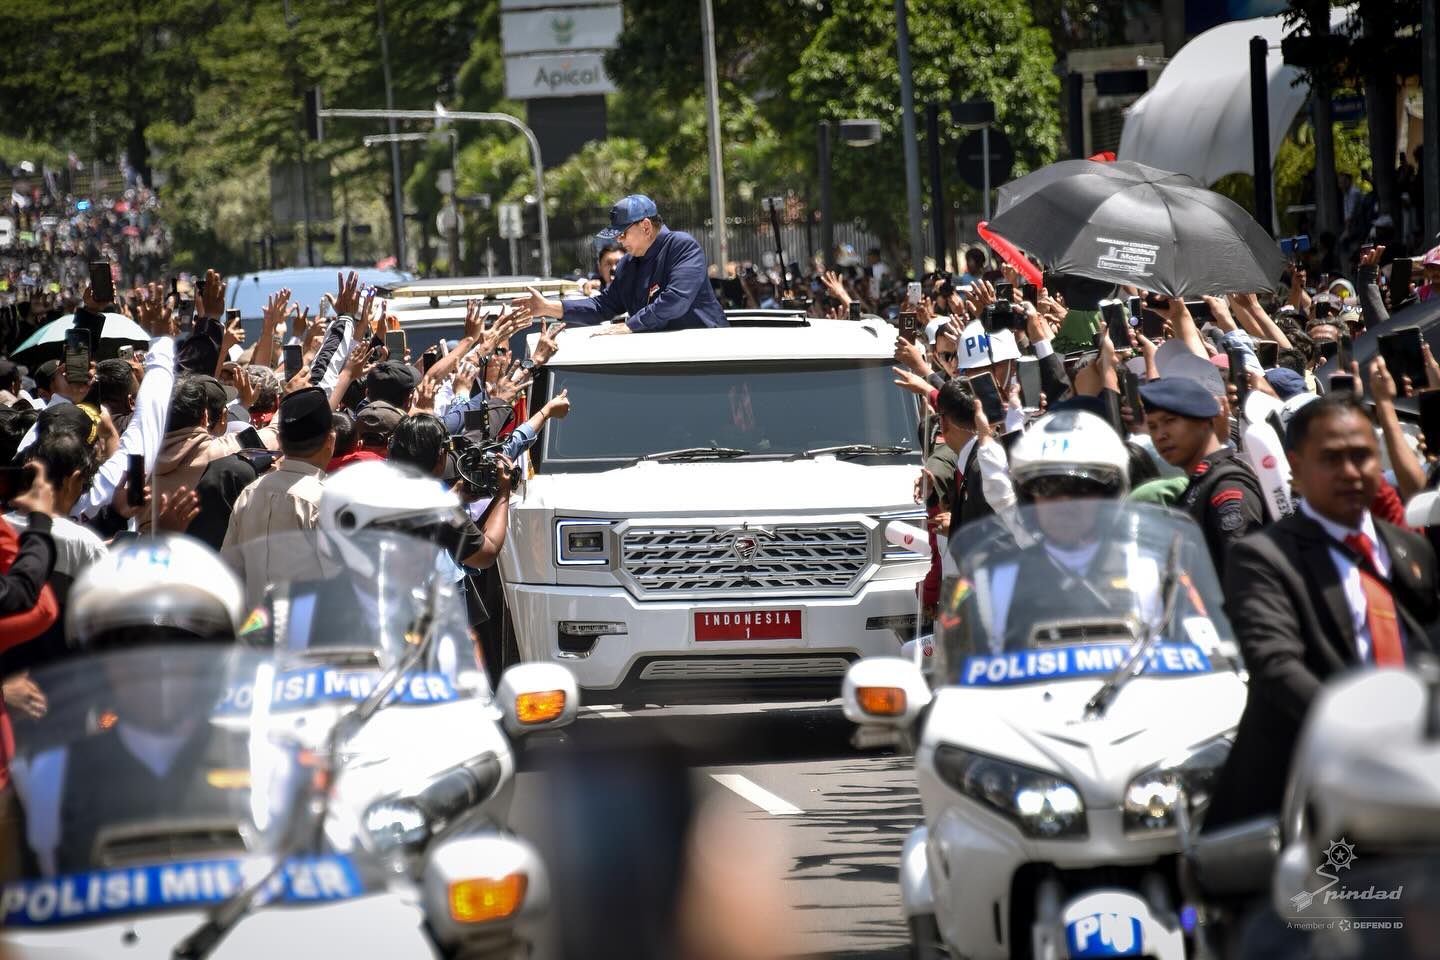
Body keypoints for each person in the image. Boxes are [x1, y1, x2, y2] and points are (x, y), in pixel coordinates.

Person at [1204, 394, 1440, 829]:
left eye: (1362, 456)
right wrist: (1363, 736)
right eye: (1331, 459)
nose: (1350, 472)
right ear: (1294, 467)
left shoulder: (1410, 549)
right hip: (1311, 791)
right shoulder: (1263, 558)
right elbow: (1276, 665)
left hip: (1419, 778)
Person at [514, 195, 728, 334]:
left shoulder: (681, 246)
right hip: (664, 362)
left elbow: (676, 300)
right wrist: (548, 307)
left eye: (623, 233)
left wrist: (630, 325)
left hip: (707, 358)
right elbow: (603, 306)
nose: (619, 240)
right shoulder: (628, 263)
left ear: (646, 226)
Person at [1139, 377, 1265, 579]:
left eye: (1169, 421)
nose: (1161, 435)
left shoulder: (1226, 487)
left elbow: (1248, 577)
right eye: (1153, 427)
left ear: (1206, 420)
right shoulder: (1201, 484)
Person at [221, 386, 335, 608]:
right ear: (330, 441)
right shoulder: (326, 501)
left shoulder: (250, 492)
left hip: (252, 632)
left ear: (280, 441)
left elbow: (230, 569)